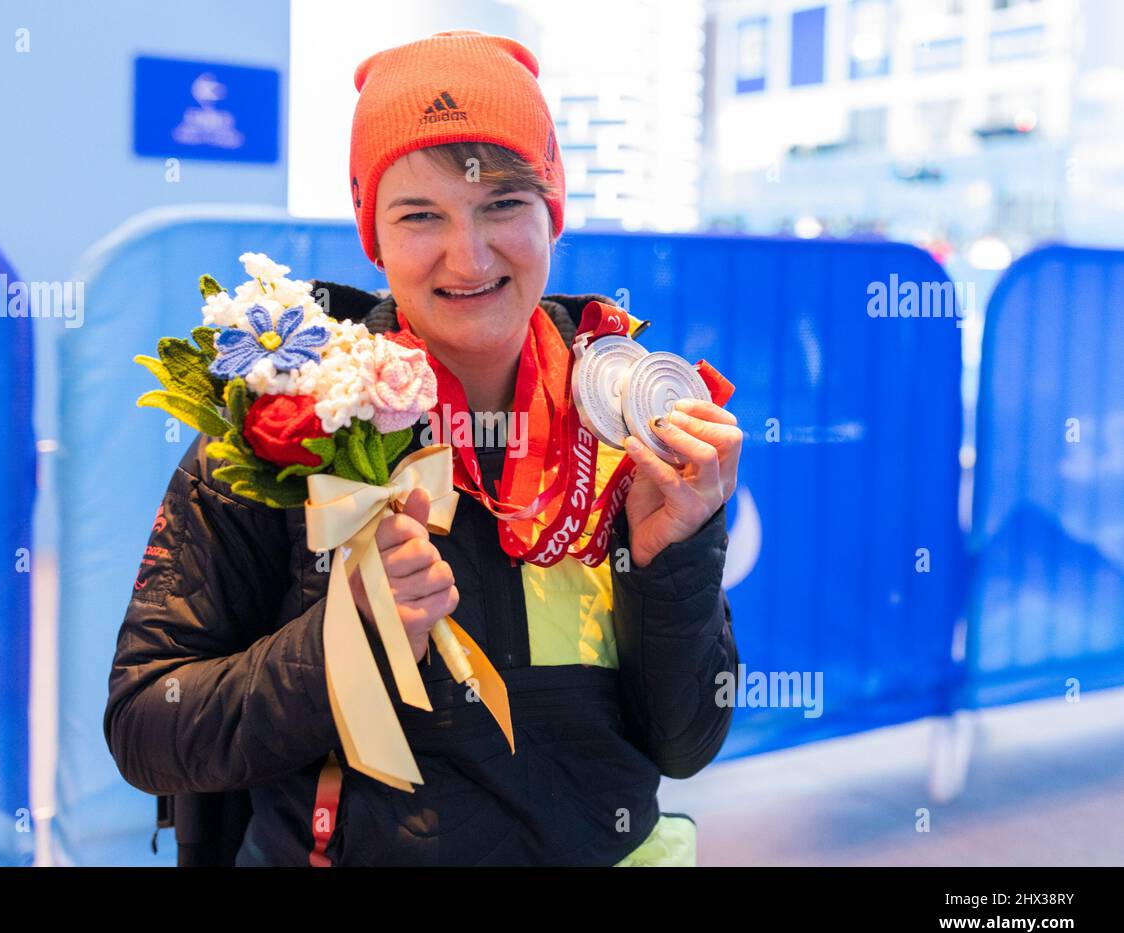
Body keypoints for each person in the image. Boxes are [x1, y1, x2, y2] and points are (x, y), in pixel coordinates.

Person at [104, 29, 741, 866]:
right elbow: (148, 722)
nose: (467, 255)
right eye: (420, 215)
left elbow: (686, 741)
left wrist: (675, 560)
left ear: (553, 214)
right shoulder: (285, 421)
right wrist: (343, 644)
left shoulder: (629, 424)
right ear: (373, 235)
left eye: (503, 205)